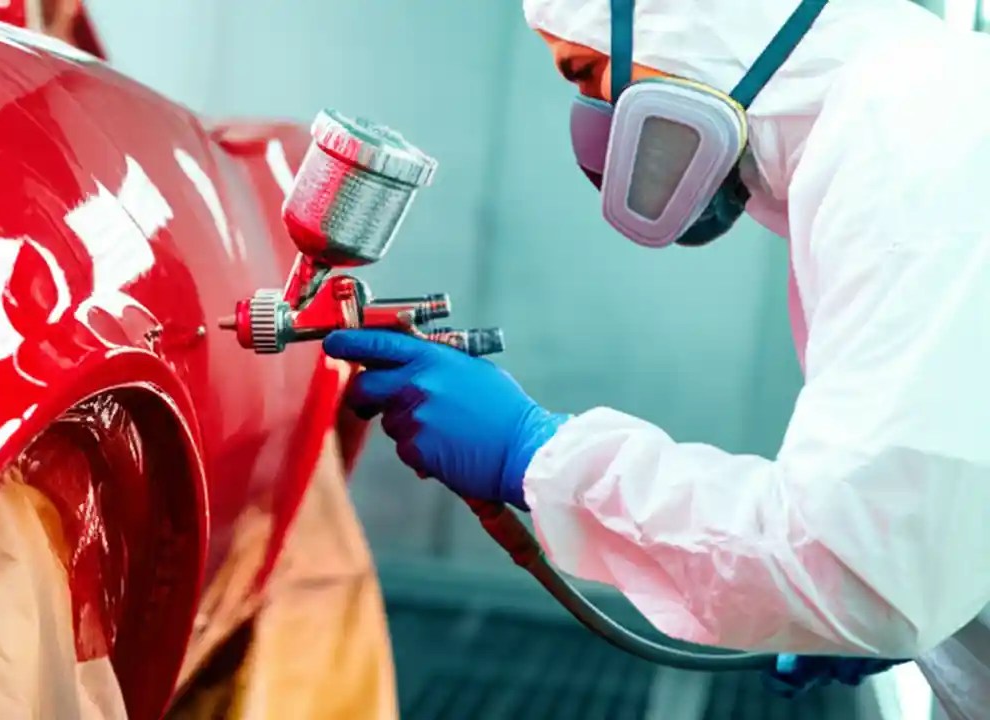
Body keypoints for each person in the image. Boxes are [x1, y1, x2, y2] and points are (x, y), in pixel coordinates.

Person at [322, 0, 990, 698]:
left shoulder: (915, 138)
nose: (593, 124)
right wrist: (909, 603)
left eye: (585, 71)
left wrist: (536, 453)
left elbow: (857, 566)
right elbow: (916, 535)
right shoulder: (902, 115)